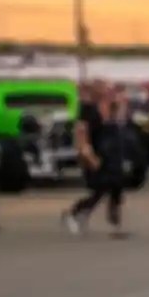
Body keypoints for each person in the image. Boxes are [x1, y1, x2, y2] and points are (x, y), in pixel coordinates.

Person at [61, 86, 129, 238]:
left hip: (112, 154)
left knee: (116, 188)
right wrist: (87, 154)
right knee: (101, 188)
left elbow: (119, 125)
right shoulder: (88, 110)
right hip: (96, 154)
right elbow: (81, 132)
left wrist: (120, 104)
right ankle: (74, 213)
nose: (110, 93)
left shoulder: (111, 108)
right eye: (106, 90)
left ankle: (115, 224)